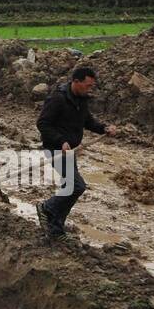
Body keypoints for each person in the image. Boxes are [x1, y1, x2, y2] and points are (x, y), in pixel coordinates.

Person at [35, 66, 117, 242]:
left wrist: (104, 128)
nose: (90, 89)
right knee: (77, 186)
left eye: (91, 86)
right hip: (56, 150)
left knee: (69, 188)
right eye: (88, 85)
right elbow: (43, 124)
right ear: (76, 82)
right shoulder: (57, 99)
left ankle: (56, 230)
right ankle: (46, 207)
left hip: (70, 152)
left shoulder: (81, 99)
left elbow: (87, 121)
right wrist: (60, 141)